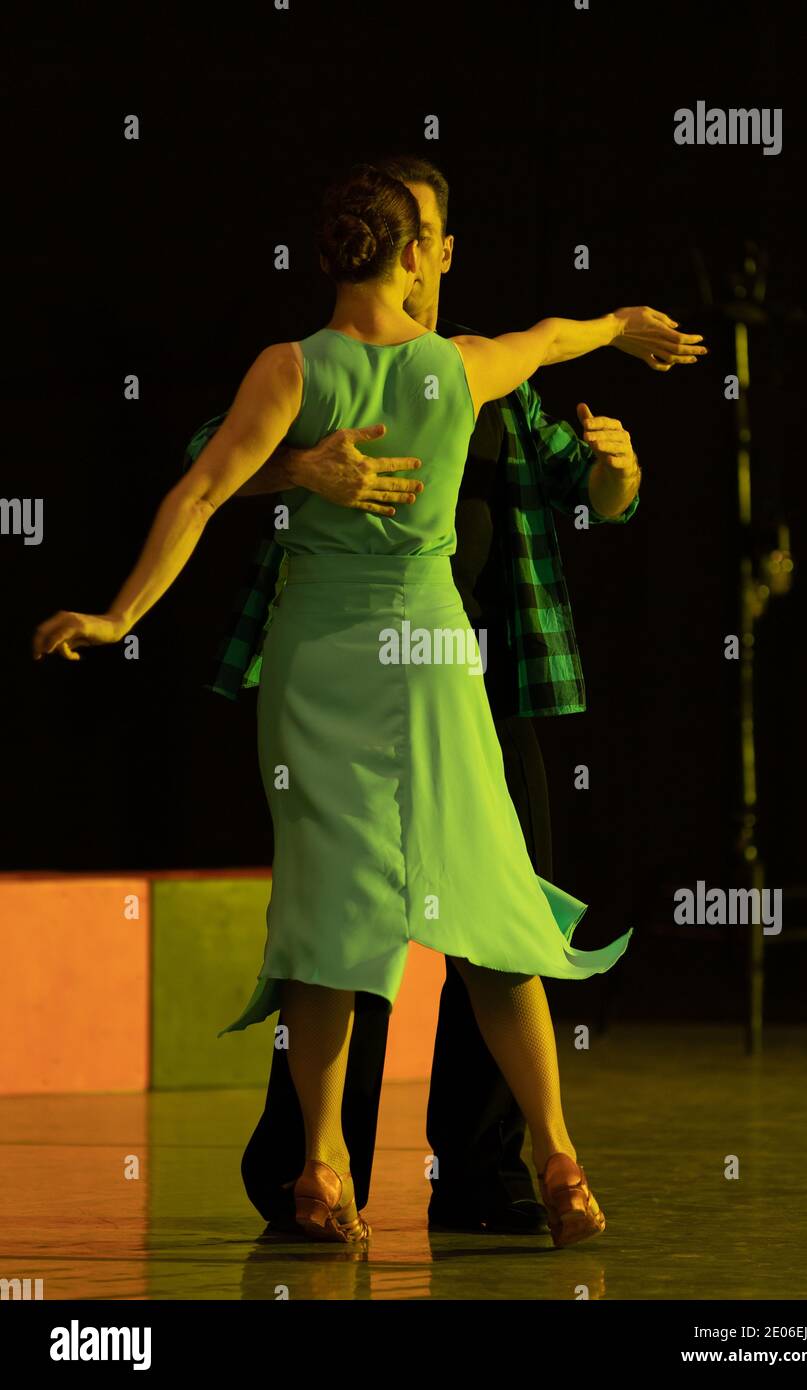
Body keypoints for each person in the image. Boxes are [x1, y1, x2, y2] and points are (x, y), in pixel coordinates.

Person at [32, 163, 703, 1249]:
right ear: (408, 255)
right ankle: (560, 1156)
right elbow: (543, 337)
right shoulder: (457, 367)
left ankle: (322, 1166)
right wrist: (616, 323)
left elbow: (197, 488)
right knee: (493, 906)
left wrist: (118, 616)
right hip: (435, 656)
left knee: (330, 916)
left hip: (321, 663)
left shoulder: (291, 370)